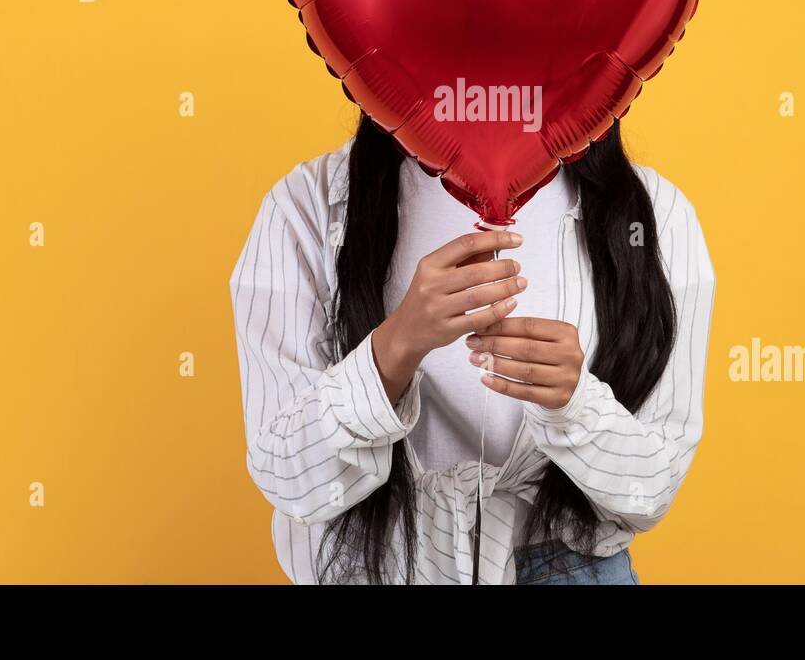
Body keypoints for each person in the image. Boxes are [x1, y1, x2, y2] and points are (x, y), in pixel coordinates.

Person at [230, 114, 714, 584]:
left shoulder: (656, 216)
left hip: (573, 569)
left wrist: (576, 405)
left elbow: (650, 490)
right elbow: (288, 479)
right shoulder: (309, 205)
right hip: (368, 567)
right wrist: (393, 349)